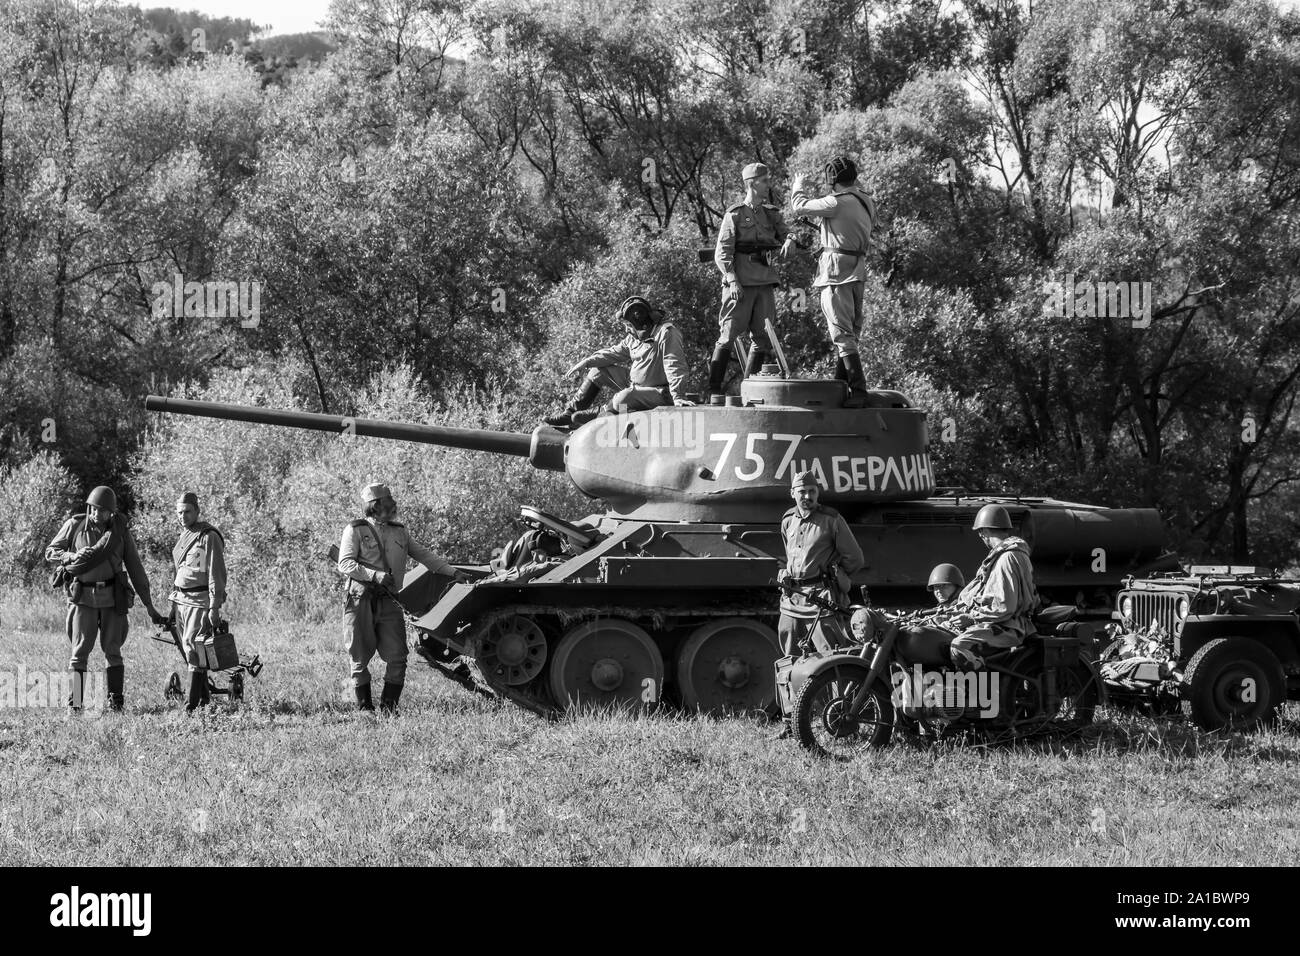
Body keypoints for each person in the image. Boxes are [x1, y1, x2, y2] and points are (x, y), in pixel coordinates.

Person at [336, 483, 467, 713]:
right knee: (358, 657)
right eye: (387, 500)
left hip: (390, 601)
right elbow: (345, 563)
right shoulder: (355, 529)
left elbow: (425, 556)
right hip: (360, 600)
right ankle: (365, 709)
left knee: (397, 657)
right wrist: (374, 575)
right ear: (375, 505)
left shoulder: (400, 531)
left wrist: (453, 572)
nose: (392, 503)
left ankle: (389, 709)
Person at [45, 486, 163, 713]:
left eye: (103, 510)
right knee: (78, 653)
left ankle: (116, 702)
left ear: (112, 512)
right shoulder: (75, 525)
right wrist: (71, 556)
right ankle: (75, 706)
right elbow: (51, 551)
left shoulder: (120, 532)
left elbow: (136, 569)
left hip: (113, 598)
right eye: (94, 509)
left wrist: (149, 606)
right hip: (83, 599)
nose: (97, 514)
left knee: (113, 651)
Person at [790, 155, 877, 407]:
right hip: (857, 272)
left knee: (841, 334)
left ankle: (858, 391)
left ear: (832, 182)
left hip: (837, 274)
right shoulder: (866, 201)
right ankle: (841, 387)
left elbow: (799, 206)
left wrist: (799, 184)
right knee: (850, 333)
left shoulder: (835, 202)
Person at [706, 162, 795, 396]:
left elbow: (787, 232)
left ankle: (749, 389)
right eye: (764, 181)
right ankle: (714, 391)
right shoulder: (735, 214)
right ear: (751, 183)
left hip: (764, 282)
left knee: (763, 339)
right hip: (741, 283)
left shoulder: (771, 214)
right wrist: (732, 280)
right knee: (728, 335)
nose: (768, 185)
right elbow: (722, 253)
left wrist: (790, 240)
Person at [545, 296, 695, 429]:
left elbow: (674, 364)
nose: (626, 329)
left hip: (660, 393)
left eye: (628, 325)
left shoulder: (666, 333)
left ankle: (602, 412)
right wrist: (587, 361)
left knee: (624, 397)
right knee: (597, 371)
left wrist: (678, 397)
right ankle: (570, 413)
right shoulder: (634, 338)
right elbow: (613, 352)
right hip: (635, 384)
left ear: (640, 324)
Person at [776, 469, 865, 660]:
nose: (807, 496)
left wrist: (836, 575)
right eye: (802, 491)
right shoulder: (787, 520)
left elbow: (855, 558)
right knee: (790, 658)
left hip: (821, 599)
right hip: (792, 599)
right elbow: (789, 554)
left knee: (830, 657)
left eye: (812, 491)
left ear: (817, 493)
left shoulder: (831, 519)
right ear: (792, 493)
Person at [169, 492, 226, 713]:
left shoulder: (207, 536)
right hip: (181, 600)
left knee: (193, 649)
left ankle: (191, 706)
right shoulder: (185, 535)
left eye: (187, 512)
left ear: (197, 511)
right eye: (179, 512)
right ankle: (204, 700)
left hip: (199, 600)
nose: (182, 516)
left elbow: (215, 573)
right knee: (189, 648)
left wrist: (214, 606)